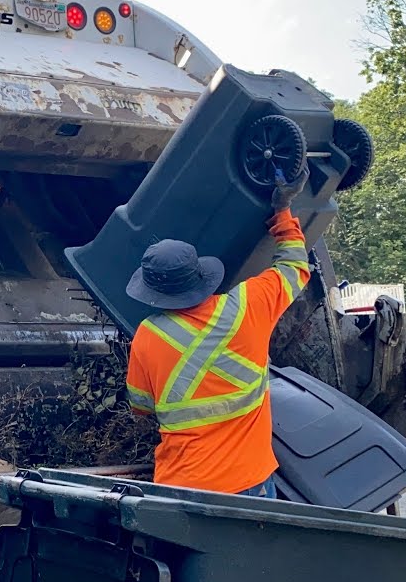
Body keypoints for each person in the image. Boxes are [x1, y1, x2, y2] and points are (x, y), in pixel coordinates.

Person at [124, 170, 312, 498]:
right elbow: (295, 266)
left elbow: (140, 406)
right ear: (199, 275)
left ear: (154, 293)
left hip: (182, 488)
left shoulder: (147, 336)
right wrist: (282, 209)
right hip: (251, 481)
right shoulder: (249, 304)